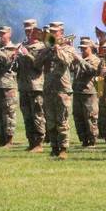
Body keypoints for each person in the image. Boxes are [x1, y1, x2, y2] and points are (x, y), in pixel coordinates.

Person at [34, 23, 78, 159]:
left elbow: (66, 61)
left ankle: (63, 149)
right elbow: (36, 65)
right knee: (50, 121)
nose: (52, 34)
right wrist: (47, 50)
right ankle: (54, 147)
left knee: (62, 120)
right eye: (50, 32)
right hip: (48, 89)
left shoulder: (68, 48)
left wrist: (57, 48)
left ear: (62, 32)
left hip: (62, 90)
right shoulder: (46, 49)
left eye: (55, 32)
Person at [15, 18, 47, 152]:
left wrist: (27, 55)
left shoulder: (41, 46)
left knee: (37, 115)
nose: (28, 33)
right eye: (26, 30)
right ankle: (31, 141)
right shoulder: (24, 45)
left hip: (36, 86)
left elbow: (39, 66)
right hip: (23, 85)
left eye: (30, 30)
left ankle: (39, 142)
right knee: (27, 115)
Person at [0, 25, 18, 146]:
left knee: (8, 112)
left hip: (7, 85)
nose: (1, 36)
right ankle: (1, 138)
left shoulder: (13, 48)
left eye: (3, 33)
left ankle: (9, 139)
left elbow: (7, 61)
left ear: (9, 34)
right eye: (0, 33)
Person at [72, 37, 101, 148]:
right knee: (78, 117)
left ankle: (92, 141)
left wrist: (80, 60)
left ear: (90, 48)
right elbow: (72, 70)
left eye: (85, 48)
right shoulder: (80, 60)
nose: (82, 50)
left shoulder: (95, 59)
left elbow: (93, 71)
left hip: (89, 92)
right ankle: (84, 140)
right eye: (81, 48)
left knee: (90, 117)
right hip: (78, 91)